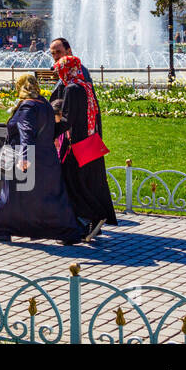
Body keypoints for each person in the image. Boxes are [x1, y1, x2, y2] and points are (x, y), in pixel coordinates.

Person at [0, 74, 84, 244]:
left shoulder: (27, 107)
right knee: (52, 198)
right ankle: (69, 232)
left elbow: (26, 133)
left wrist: (25, 157)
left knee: (11, 197)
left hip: (25, 159)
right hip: (47, 159)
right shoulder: (45, 105)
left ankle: (0, 230)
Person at [52, 54, 116, 240]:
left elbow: (67, 120)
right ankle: (88, 221)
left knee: (70, 183)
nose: (58, 74)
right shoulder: (85, 86)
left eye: (60, 70)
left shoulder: (72, 88)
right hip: (90, 142)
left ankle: (90, 218)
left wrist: (50, 130)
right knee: (86, 182)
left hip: (75, 145)